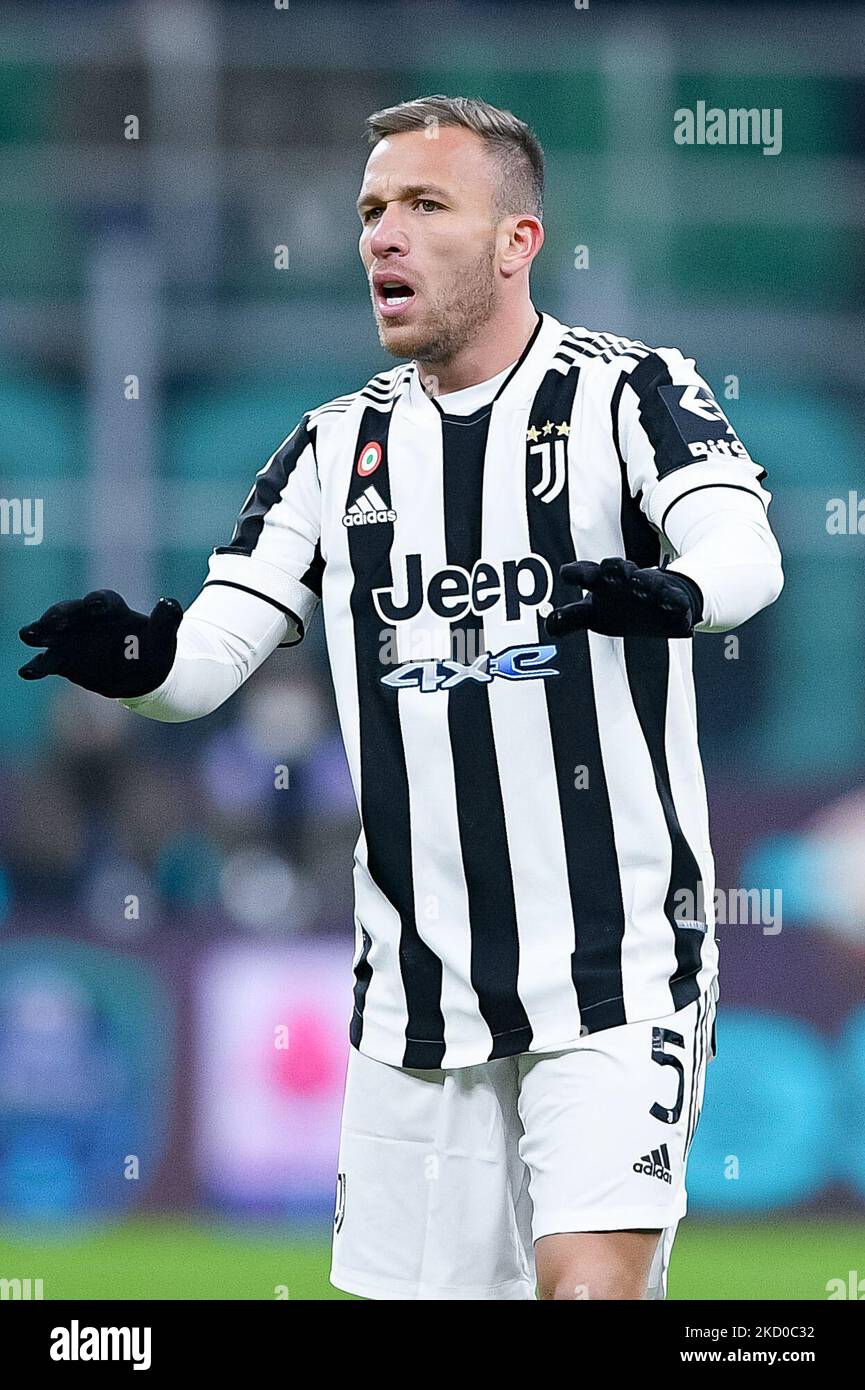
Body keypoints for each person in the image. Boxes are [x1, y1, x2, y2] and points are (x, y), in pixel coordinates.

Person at [19, 94, 784, 1300]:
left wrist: (676, 594)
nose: (384, 234)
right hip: (414, 1006)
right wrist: (137, 662)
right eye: (372, 209)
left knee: (586, 1290)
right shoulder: (331, 449)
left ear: (515, 239)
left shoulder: (630, 394)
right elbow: (215, 650)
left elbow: (746, 556)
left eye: (426, 205)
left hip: (616, 976)